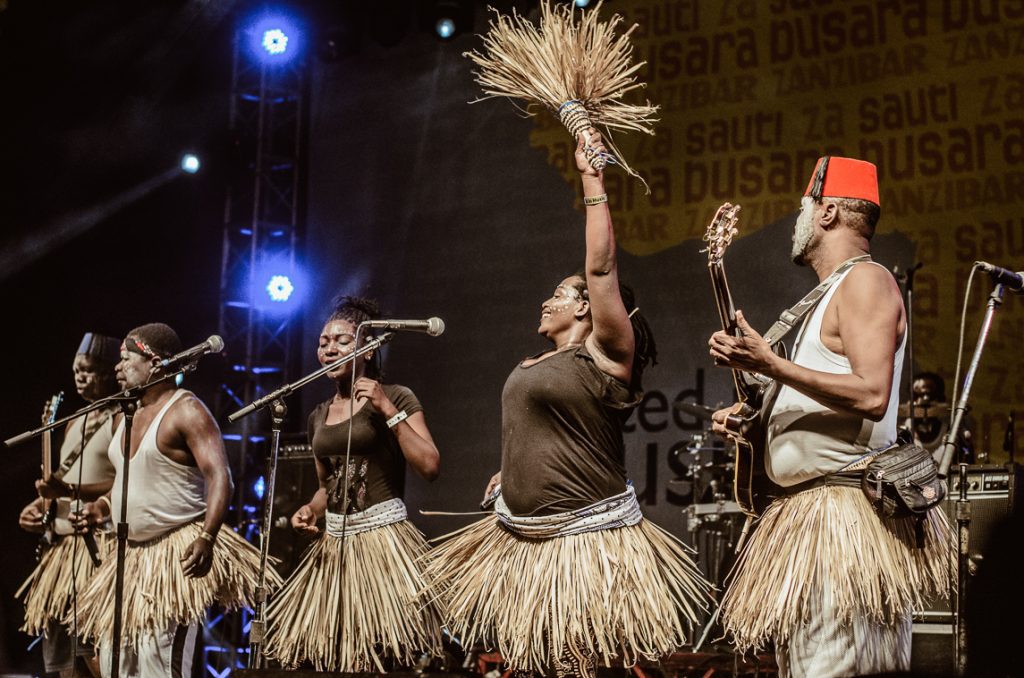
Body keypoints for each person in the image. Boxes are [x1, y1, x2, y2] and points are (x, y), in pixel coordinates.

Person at [423, 130, 711, 677]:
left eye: (560, 294)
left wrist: (591, 178)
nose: (546, 300)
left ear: (587, 311)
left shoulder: (607, 355)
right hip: (522, 540)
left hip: (586, 541)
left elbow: (601, 269)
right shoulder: (539, 362)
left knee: (585, 666)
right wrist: (511, 473)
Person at [707, 157, 954, 677]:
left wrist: (770, 363)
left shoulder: (867, 282)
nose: (797, 221)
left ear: (830, 211)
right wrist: (755, 422)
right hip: (807, 522)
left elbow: (871, 395)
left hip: (845, 516)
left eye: (806, 207)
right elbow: (821, 396)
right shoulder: (826, 296)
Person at [70, 322, 277, 677]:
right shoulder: (126, 416)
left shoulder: (186, 411)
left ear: (157, 363)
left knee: (159, 663)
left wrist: (208, 536)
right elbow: (129, 483)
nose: (118, 367)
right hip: (128, 559)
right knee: (112, 664)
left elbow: (220, 477)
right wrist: (99, 507)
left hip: (171, 557)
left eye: (127, 358)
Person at [261, 296, 442, 671]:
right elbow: (327, 486)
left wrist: (386, 410)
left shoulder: (395, 396)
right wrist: (311, 509)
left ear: (368, 349)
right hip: (335, 546)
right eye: (323, 342)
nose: (329, 349)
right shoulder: (318, 416)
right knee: (334, 657)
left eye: (342, 341)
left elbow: (429, 464)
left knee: (377, 658)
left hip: (382, 541)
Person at [17, 332, 121, 677]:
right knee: (65, 661)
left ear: (110, 372)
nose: (80, 376)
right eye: (77, 369)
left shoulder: (122, 419)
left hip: (96, 547)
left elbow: (127, 482)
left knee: (93, 650)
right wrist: (38, 505)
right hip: (62, 550)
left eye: (89, 369)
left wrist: (71, 490)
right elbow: (62, 482)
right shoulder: (74, 421)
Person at [902, 371, 975, 465]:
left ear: (939, 399)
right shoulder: (903, 433)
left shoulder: (951, 431)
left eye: (929, 395)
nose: (922, 401)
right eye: (916, 396)